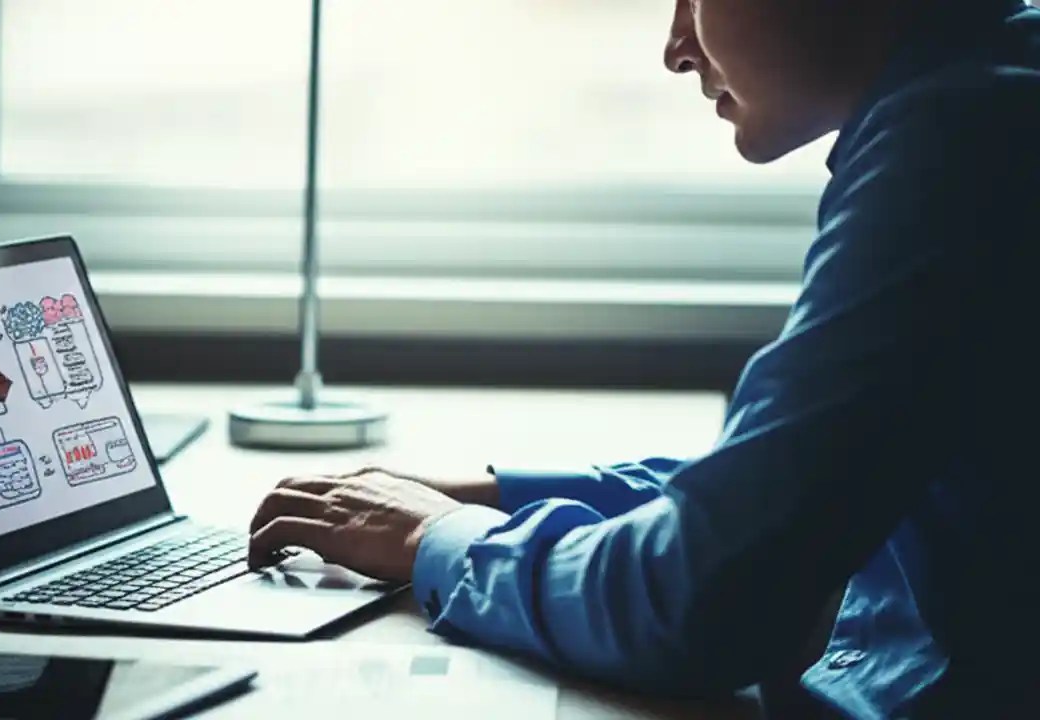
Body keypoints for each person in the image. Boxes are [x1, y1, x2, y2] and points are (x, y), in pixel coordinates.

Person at [247, 1, 1040, 717]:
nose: (676, 46)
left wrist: (438, 540)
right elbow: (787, 487)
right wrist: (493, 495)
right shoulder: (981, 95)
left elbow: (705, 601)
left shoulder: (963, 145)